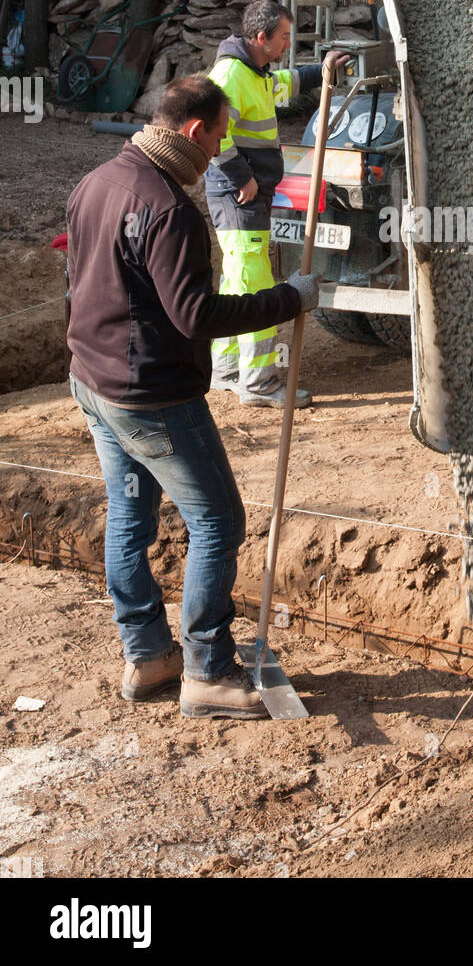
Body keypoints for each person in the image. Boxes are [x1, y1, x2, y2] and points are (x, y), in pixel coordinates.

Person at [66, 75, 320, 718]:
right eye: (216, 137)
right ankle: (207, 668)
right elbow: (195, 315)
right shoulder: (169, 210)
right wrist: (289, 299)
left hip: (95, 384)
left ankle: (148, 654)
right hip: (150, 396)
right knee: (218, 522)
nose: (217, 152)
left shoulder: (96, 183)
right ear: (192, 131)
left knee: (129, 517)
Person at [206, 0, 348, 409]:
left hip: (247, 192)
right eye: (284, 37)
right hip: (239, 194)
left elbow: (284, 84)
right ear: (261, 37)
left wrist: (322, 70)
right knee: (256, 286)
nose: (289, 43)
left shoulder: (256, 72)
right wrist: (244, 179)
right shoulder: (231, 74)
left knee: (236, 281)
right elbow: (216, 135)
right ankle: (259, 382)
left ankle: (227, 369)